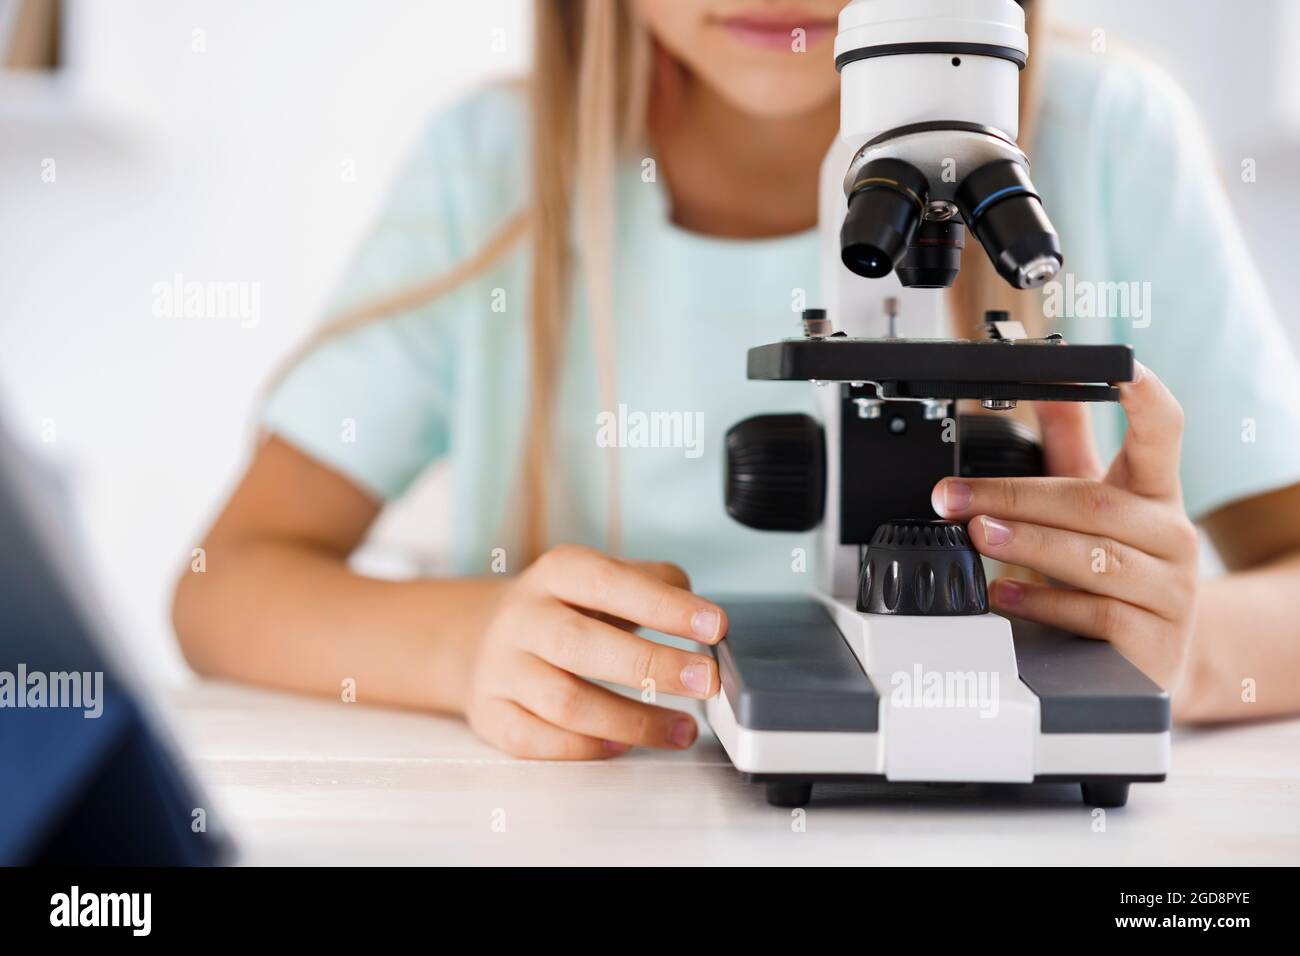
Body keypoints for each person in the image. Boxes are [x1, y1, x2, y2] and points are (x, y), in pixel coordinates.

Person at [172, 1, 1300, 759]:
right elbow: (227, 583)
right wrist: (474, 644)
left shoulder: (1110, 139)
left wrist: (1175, 654)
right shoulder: (492, 171)